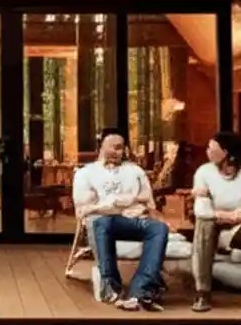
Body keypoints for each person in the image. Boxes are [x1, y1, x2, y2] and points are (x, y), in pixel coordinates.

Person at [72, 127, 170, 312]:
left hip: (133, 219)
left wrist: (113, 204)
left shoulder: (135, 171)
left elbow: (148, 202)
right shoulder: (86, 173)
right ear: (101, 146)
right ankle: (111, 286)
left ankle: (141, 290)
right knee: (101, 221)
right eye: (113, 147)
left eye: (121, 147)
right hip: (103, 221)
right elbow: (85, 209)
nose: (118, 151)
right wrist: (126, 201)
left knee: (158, 228)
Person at [190, 131, 241, 314]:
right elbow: (202, 211)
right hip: (216, 224)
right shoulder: (204, 172)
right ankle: (202, 291)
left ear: (226, 152)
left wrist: (234, 217)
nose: (207, 152)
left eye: (211, 148)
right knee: (203, 224)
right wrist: (235, 214)